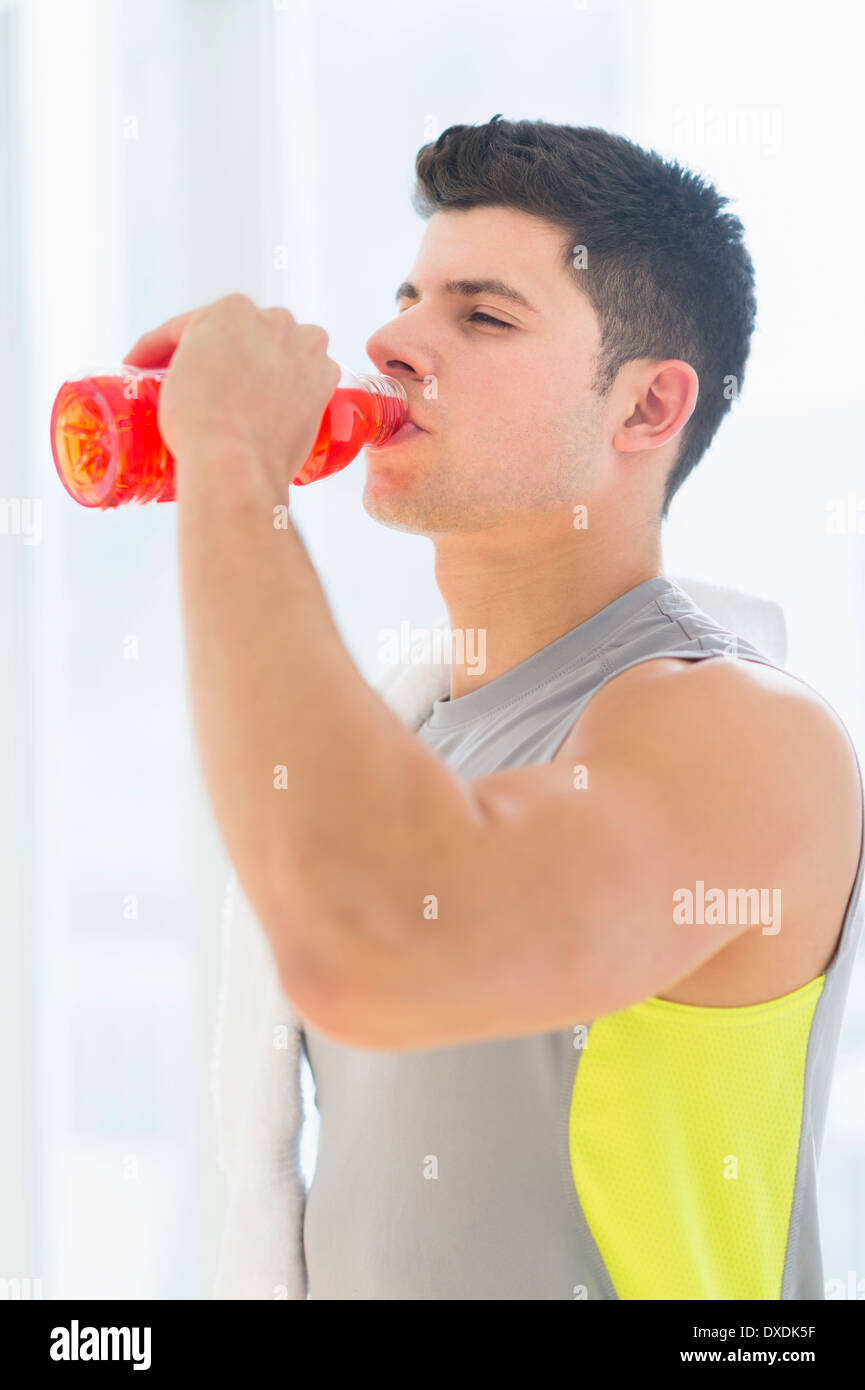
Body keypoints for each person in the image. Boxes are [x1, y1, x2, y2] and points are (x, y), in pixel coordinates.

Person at [124, 118, 864, 1300]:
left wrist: (227, 457)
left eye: (481, 315)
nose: (389, 340)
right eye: (408, 296)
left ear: (646, 409)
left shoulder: (741, 735)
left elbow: (371, 939)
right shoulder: (409, 736)